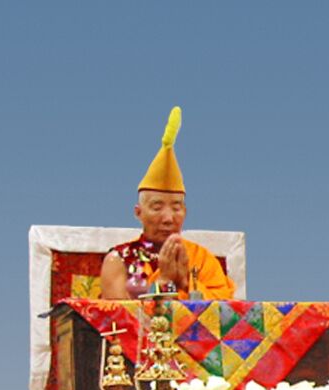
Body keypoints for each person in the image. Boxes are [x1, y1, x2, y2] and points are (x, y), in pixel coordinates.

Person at [100, 107, 235, 300]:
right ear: (138, 213)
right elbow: (118, 324)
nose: (168, 218)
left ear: (185, 212)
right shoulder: (119, 260)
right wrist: (164, 281)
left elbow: (226, 318)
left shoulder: (202, 259)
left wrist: (186, 282)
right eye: (157, 207)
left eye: (176, 207)